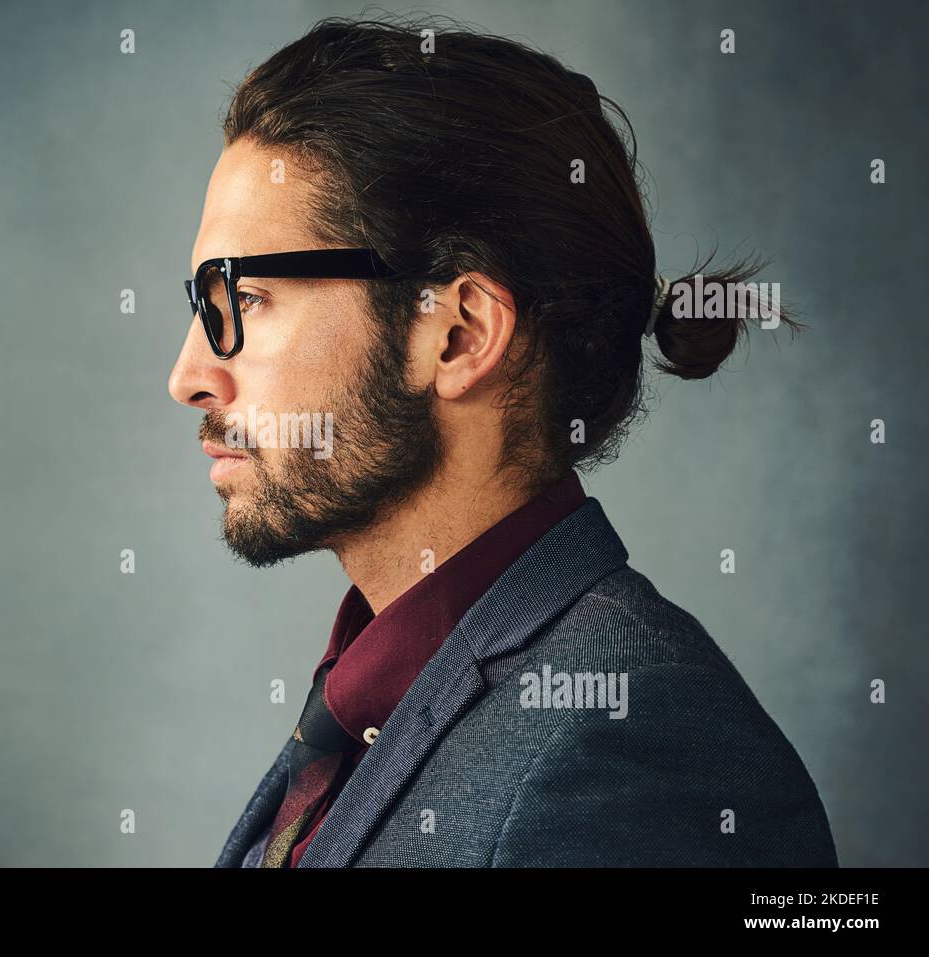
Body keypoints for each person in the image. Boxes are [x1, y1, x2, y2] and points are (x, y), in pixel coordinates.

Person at [167, 15, 837, 867]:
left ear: (456, 333)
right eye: (202, 302)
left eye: (246, 296)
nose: (189, 374)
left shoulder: (630, 753)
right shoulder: (374, 691)